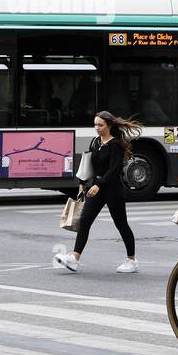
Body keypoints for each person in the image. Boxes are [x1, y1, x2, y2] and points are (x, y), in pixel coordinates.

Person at [54, 111, 140, 274]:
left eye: (100, 125)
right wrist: (82, 184)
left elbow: (114, 169)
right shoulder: (95, 142)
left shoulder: (116, 144)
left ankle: (132, 260)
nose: (97, 128)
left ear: (109, 125)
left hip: (113, 189)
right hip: (96, 188)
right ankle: (74, 258)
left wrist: (98, 185)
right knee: (85, 220)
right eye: (95, 125)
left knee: (121, 225)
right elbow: (88, 164)